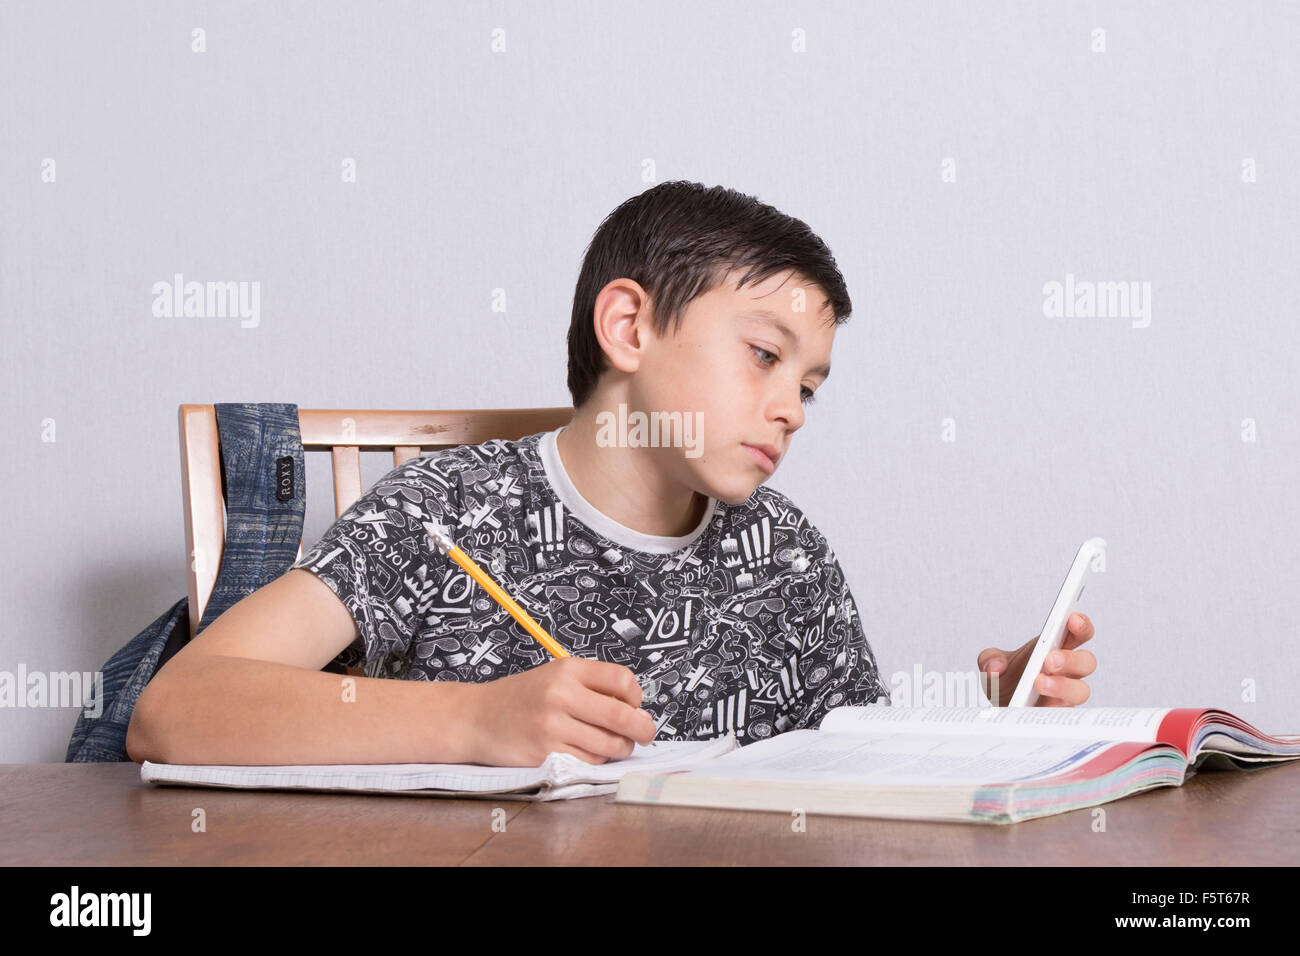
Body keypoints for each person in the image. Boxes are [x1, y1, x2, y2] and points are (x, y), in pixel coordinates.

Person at [126, 181, 1096, 769]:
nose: (792, 406)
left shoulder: (784, 553)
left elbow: (845, 769)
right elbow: (177, 707)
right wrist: (473, 719)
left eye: (811, 384)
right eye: (764, 355)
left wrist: (993, 727)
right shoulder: (445, 515)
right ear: (628, 327)